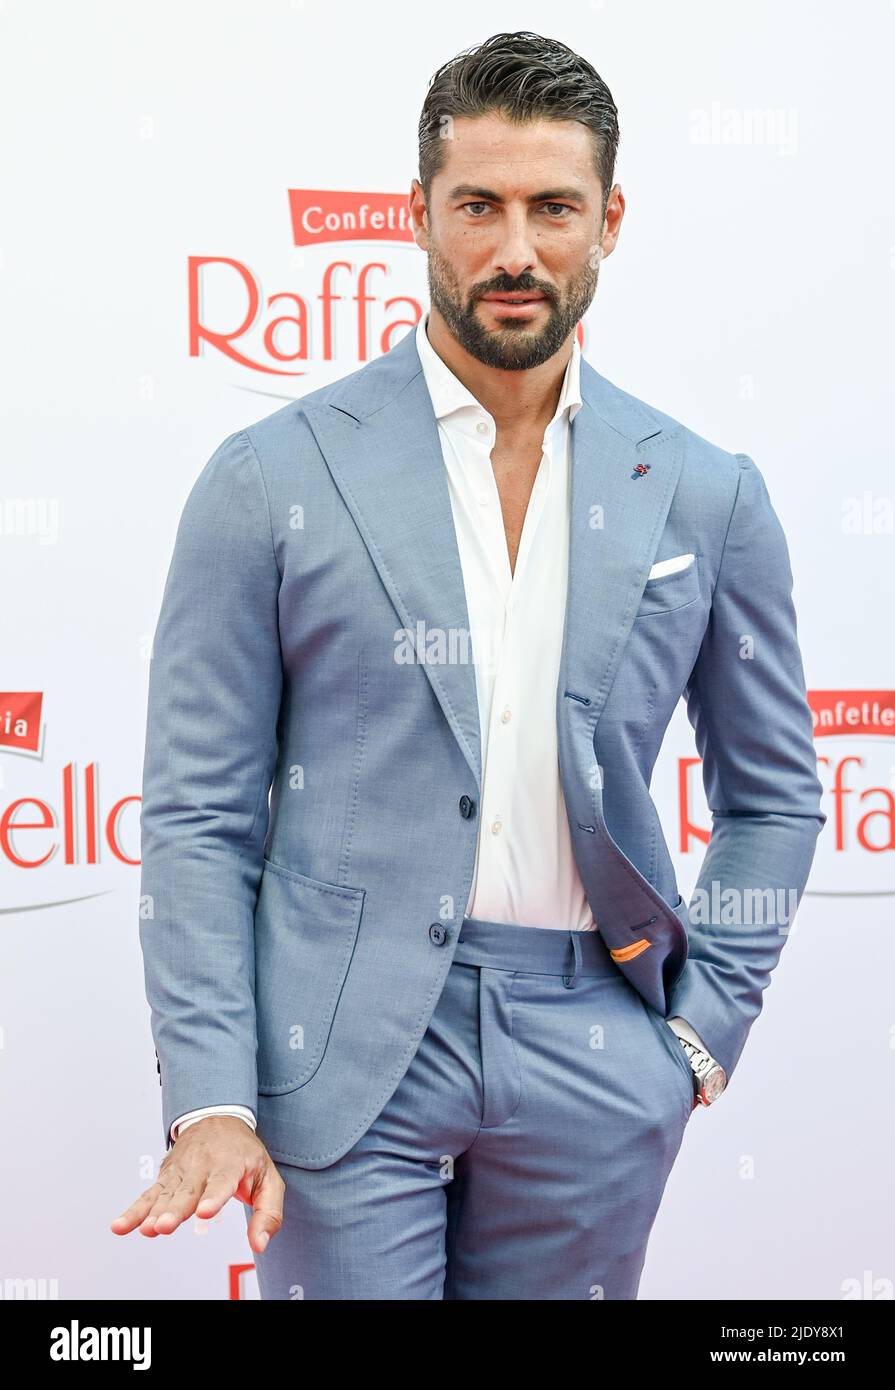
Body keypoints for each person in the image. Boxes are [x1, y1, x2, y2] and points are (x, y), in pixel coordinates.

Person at [112, 31, 825, 1299]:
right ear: (418, 215)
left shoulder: (705, 494)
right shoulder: (272, 477)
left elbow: (772, 792)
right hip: (336, 1049)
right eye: (477, 206)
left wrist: (696, 1042)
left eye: (553, 208)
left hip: (596, 1043)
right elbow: (198, 817)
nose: (513, 251)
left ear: (608, 219)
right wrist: (212, 1094)